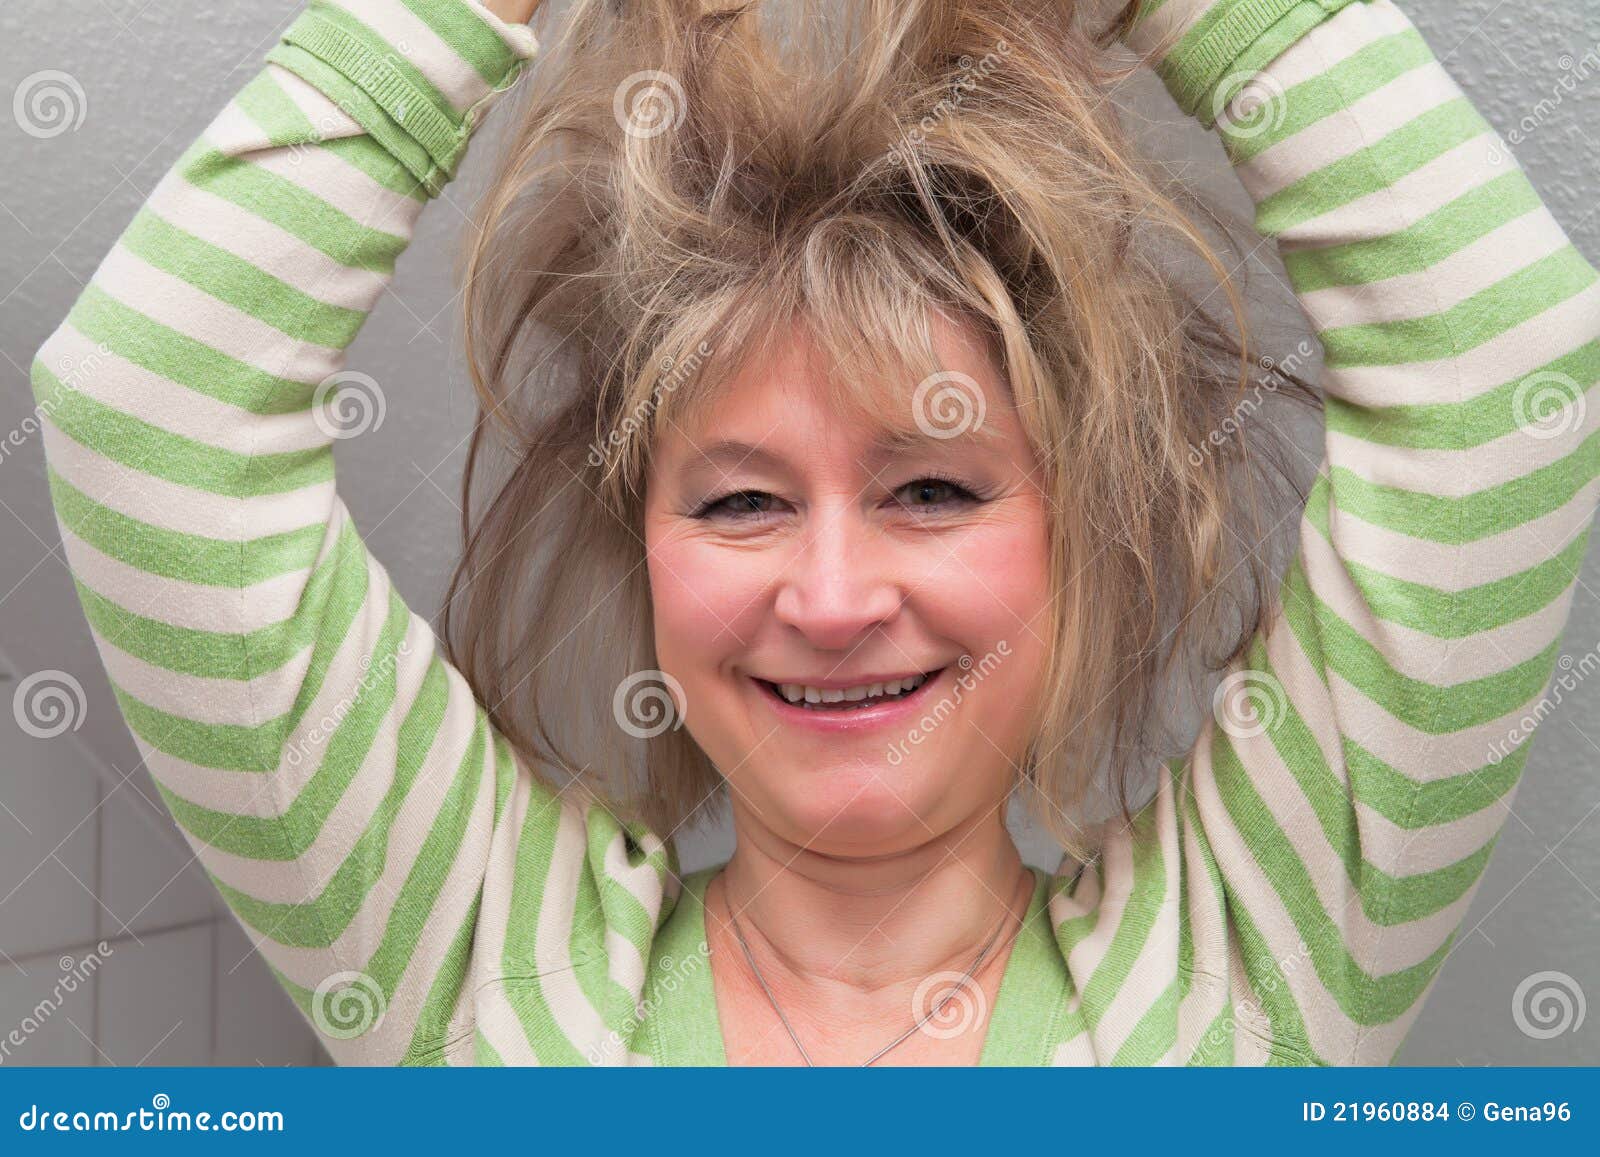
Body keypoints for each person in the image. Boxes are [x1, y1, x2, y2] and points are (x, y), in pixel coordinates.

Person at [29, 0, 1600, 1065]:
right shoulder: (487, 980)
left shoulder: (1238, 989)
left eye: (933, 487)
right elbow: (144, 411)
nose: (834, 596)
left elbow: (1508, 370)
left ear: (1072, 538)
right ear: (643, 554)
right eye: (739, 500)